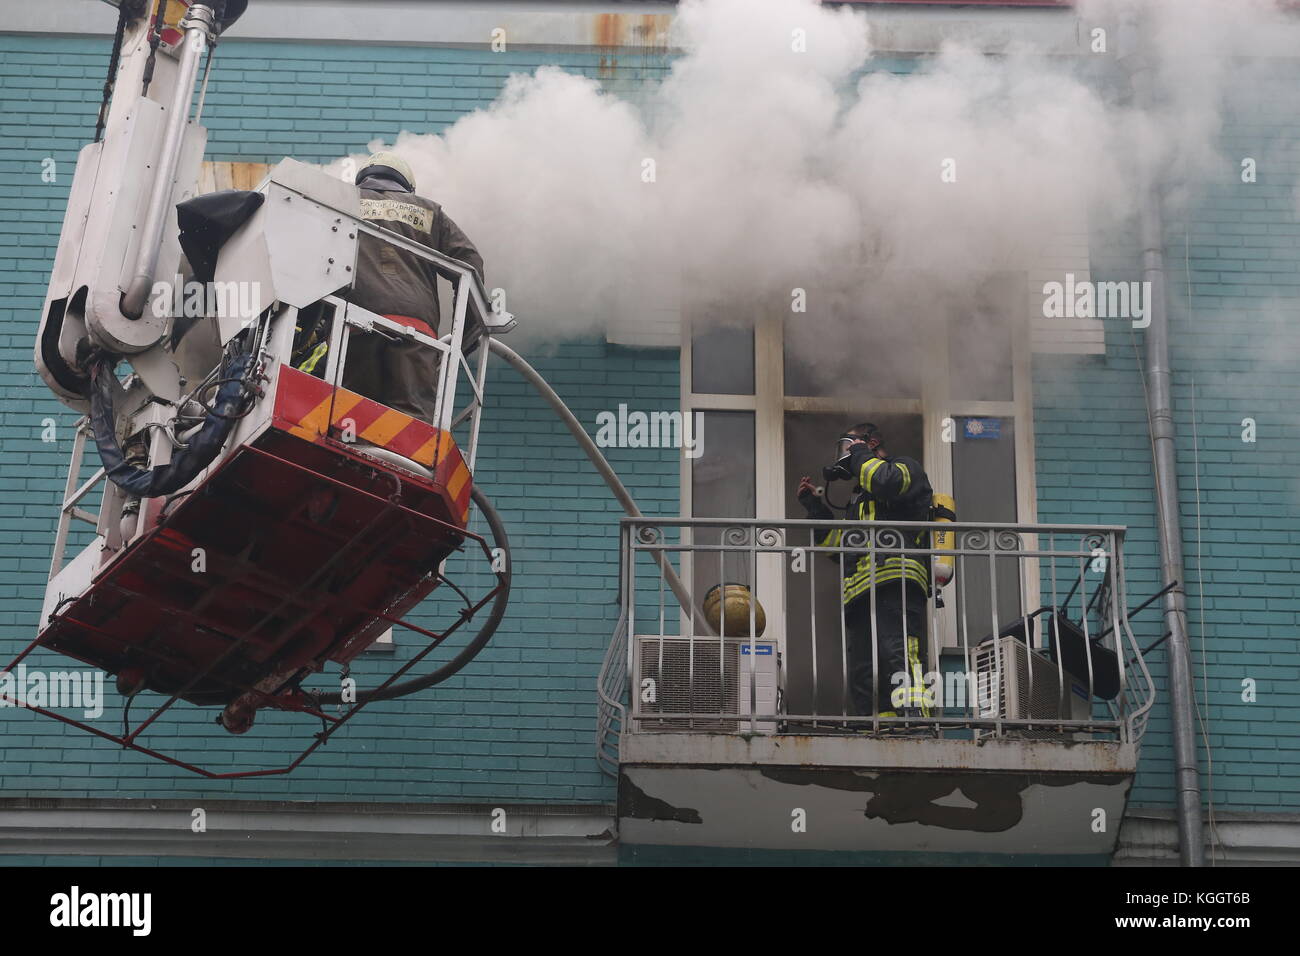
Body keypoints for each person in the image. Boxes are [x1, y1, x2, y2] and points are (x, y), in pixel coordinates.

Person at [797, 422, 943, 724]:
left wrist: (859, 452)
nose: (846, 453)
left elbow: (888, 483)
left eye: (848, 444)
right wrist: (814, 508)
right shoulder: (858, 500)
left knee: (898, 651)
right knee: (864, 667)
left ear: (871, 442)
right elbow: (838, 548)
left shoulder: (904, 468)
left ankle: (915, 720)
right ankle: (876, 725)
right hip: (860, 592)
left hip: (895, 578)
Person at [339, 151, 484, 422]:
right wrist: (466, 335)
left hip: (354, 325)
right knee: (411, 427)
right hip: (416, 333)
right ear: (407, 186)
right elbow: (470, 263)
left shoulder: (342, 201)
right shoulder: (430, 212)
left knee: (353, 419)